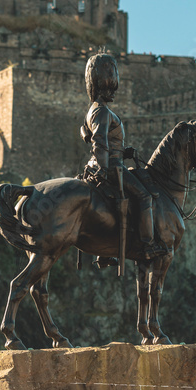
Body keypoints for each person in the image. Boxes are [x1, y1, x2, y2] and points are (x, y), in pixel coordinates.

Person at [80, 53, 167, 262]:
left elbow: (95, 137)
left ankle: (105, 250)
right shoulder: (102, 111)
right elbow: (99, 141)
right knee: (144, 196)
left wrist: (123, 151)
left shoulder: (94, 110)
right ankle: (147, 245)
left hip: (108, 161)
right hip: (110, 166)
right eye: (111, 89)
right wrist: (104, 168)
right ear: (102, 86)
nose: (114, 93)